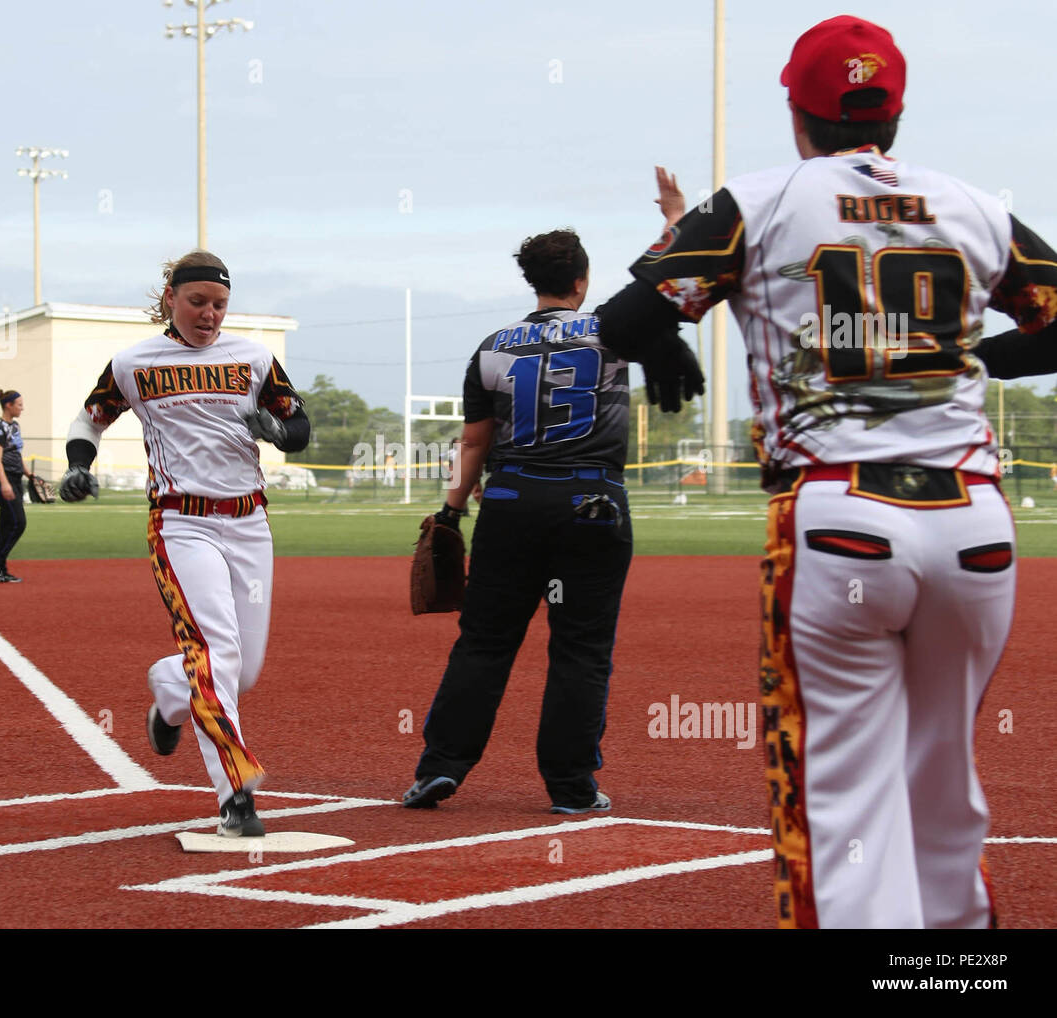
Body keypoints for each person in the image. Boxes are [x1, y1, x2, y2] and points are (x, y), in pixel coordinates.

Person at [592, 15, 1057, 927]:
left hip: (842, 516)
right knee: (943, 781)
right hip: (976, 526)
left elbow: (622, 318)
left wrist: (664, 348)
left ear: (796, 109)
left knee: (838, 796)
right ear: (897, 109)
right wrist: (971, 362)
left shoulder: (760, 199)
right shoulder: (974, 204)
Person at [402, 228, 699, 814]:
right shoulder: (611, 333)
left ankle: (440, 767)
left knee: (484, 643)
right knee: (581, 649)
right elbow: (672, 292)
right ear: (582, 282)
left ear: (532, 281)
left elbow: (474, 442)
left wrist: (451, 512)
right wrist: (675, 223)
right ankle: (570, 786)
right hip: (593, 505)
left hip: (511, 504)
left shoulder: (492, 346)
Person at [57, 250, 309, 838]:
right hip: (181, 523)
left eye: (219, 304)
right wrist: (78, 465)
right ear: (170, 297)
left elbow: (299, 425)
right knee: (217, 651)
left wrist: (277, 432)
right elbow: (89, 420)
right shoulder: (134, 362)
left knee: (241, 670)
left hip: (249, 522)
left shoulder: (252, 357)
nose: (210, 314)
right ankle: (235, 795)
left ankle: (172, 691)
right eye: (197, 302)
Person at [0, 389, 26, 583]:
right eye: (19, 404)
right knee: (18, 523)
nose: (22, 408)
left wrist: (30, 474)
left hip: (16, 479)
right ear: (8, 405)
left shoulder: (15, 426)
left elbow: (17, 454)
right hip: (4, 480)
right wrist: (4, 484)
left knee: (6, 526)